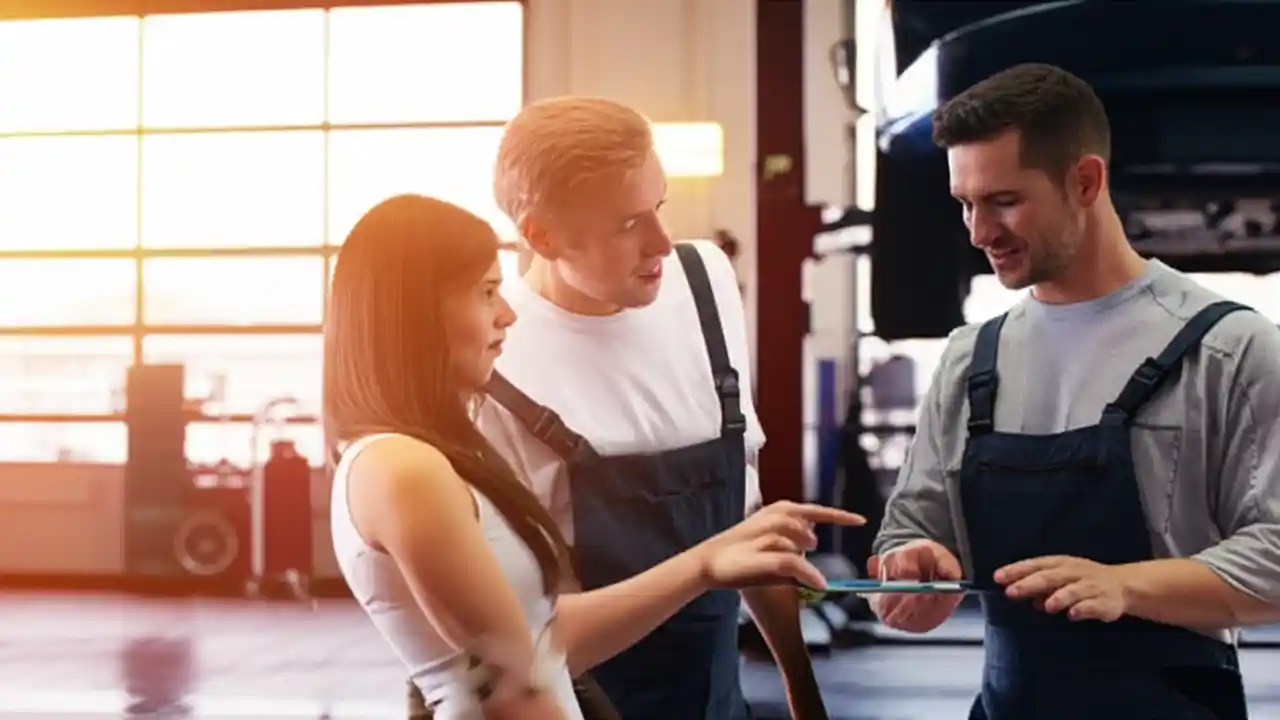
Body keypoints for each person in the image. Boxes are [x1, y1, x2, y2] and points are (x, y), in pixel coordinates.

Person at [325, 194, 863, 720]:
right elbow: (516, 686)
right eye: (487, 292)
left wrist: (703, 565)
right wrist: (700, 567)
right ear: (414, 315)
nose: (508, 314)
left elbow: (544, 642)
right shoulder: (401, 469)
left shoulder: (430, 459)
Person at [868, 62, 1280, 719]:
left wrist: (1127, 587)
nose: (978, 233)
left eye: (1004, 201)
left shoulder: (1228, 350)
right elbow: (910, 538)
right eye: (965, 204)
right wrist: (910, 571)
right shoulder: (969, 360)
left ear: (1085, 180)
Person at [469, 95, 832, 720]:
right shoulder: (496, 362)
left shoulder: (705, 283)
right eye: (627, 224)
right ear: (542, 236)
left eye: (659, 207)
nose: (663, 242)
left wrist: (805, 696)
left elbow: (745, 523)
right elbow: (522, 643)